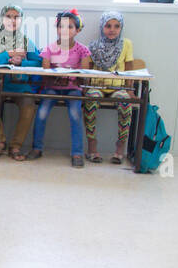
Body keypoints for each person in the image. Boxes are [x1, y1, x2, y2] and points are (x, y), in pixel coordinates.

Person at [0, 3, 42, 160]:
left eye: (16, 17)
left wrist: (21, 63)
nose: (12, 20)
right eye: (8, 16)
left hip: (20, 86)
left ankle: (16, 146)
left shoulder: (26, 41)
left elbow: (38, 63)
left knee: (29, 106)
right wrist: (7, 54)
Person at [30, 9, 88, 167]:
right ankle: (37, 148)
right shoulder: (49, 49)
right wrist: (56, 78)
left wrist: (70, 78)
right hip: (52, 87)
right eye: (61, 26)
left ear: (77, 30)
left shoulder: (83, 50)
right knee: (42, 112)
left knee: (75, 114)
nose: (65, 30)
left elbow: (84, 74)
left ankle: (77, 153)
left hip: (73, 88)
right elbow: (45, 71)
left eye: (70, 27)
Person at [82, 10, 135, 165]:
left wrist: (130, 90)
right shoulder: (93, 45)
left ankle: (120, 147)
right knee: (90, 100)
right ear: (102, 27)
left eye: (116, 26)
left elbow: (129, 69)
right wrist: (85, 88)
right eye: (108, 26)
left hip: (118, 88)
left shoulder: (126, 44)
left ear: (121, 28)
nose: (112, 29)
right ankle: (92, 146)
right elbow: (88, 69)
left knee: (125, 103)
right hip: (97, 86)